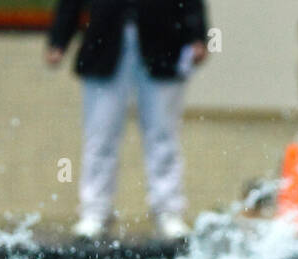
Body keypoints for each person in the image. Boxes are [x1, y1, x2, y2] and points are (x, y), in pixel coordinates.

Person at [46, 0, 210, 240]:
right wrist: (59, 40)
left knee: (163, 135)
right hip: (104, 44)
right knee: (100, 135)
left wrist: (198, 36)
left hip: (164, 43)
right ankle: (95, 211)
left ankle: (168, 210)